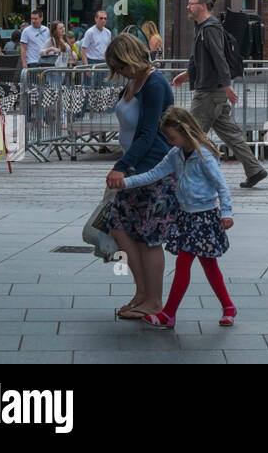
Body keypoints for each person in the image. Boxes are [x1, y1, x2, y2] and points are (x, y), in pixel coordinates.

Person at [112, 106, 236, 329]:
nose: (169, 141)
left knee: (183, 263)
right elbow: (153, 174)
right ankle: (228, 306)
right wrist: (126, 183)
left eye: (171, 136)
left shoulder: (204, 155)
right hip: (187, 216)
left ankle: (168, 313)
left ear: (185, 131)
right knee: (209, 265)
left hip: (204, 217)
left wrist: (226, 212)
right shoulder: (175, 154)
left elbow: (222, 186)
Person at [103, 33, 178, 321]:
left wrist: (122, 165)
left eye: (120, 66)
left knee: (149, 236)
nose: (118, 72)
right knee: (119, 226)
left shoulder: (155, 83)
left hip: (152, 168)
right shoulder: (133, 80)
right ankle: (142, 293)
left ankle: (154, 301)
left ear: (131, 58)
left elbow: (148, 133)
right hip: (135, 167)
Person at [171, 0, 267, 190]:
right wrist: (187, 75)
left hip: (209, 93)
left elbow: (219, 58)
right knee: (230, 133)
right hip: (213, 90)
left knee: (192, 134)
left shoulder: (211, 29)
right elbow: (199, 59)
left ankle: (181, 175)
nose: (188, 7)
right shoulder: (202, 28)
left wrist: (227, 85)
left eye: (191, 4)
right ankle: (255, 169)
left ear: (203, 6)